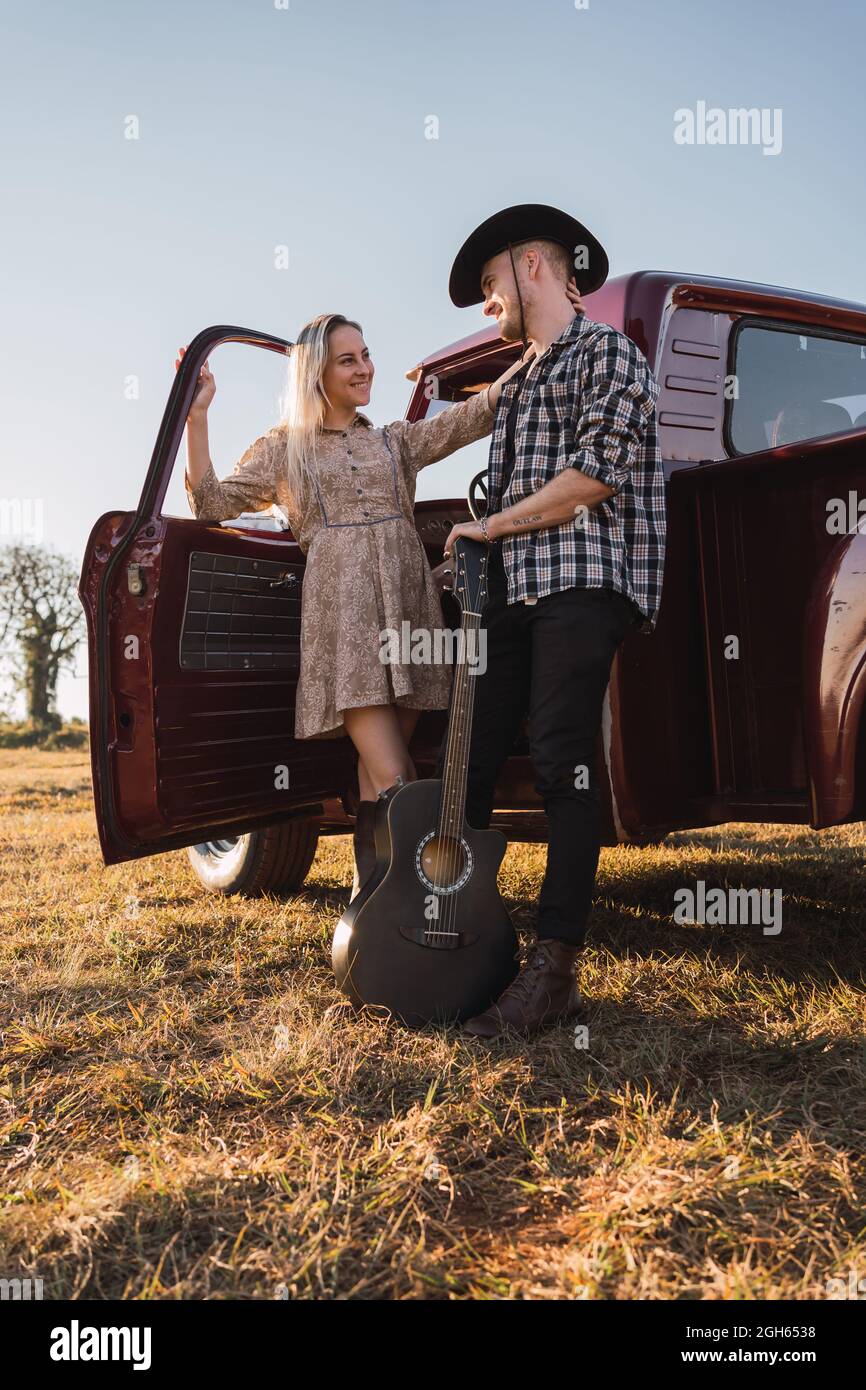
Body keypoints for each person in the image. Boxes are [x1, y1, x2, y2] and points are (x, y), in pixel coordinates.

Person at [178, 313, 541, 898]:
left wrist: (533, 356)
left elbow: (474, 416)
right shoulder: (283, 450)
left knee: (375, 775)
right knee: (398, 775)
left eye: (366, 354)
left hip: (408, 610)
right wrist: (198, 417)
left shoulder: (393, 442)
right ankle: (420, 898)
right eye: (348, 360)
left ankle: (369, 899)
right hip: (343, 621)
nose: (365, 368)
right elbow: (209, 505)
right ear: (314, 373)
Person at [439, 203, 667, 1039]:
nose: (488, 303)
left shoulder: (608, 352)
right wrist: (471, 543)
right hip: (512, 591)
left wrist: (493, 526)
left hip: (581, 586)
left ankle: (555, 972)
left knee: (564, 759)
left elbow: (595, 476)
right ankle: (458, 942)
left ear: (532, 266)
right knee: (470, 759)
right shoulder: (523, 376)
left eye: (492, 284)